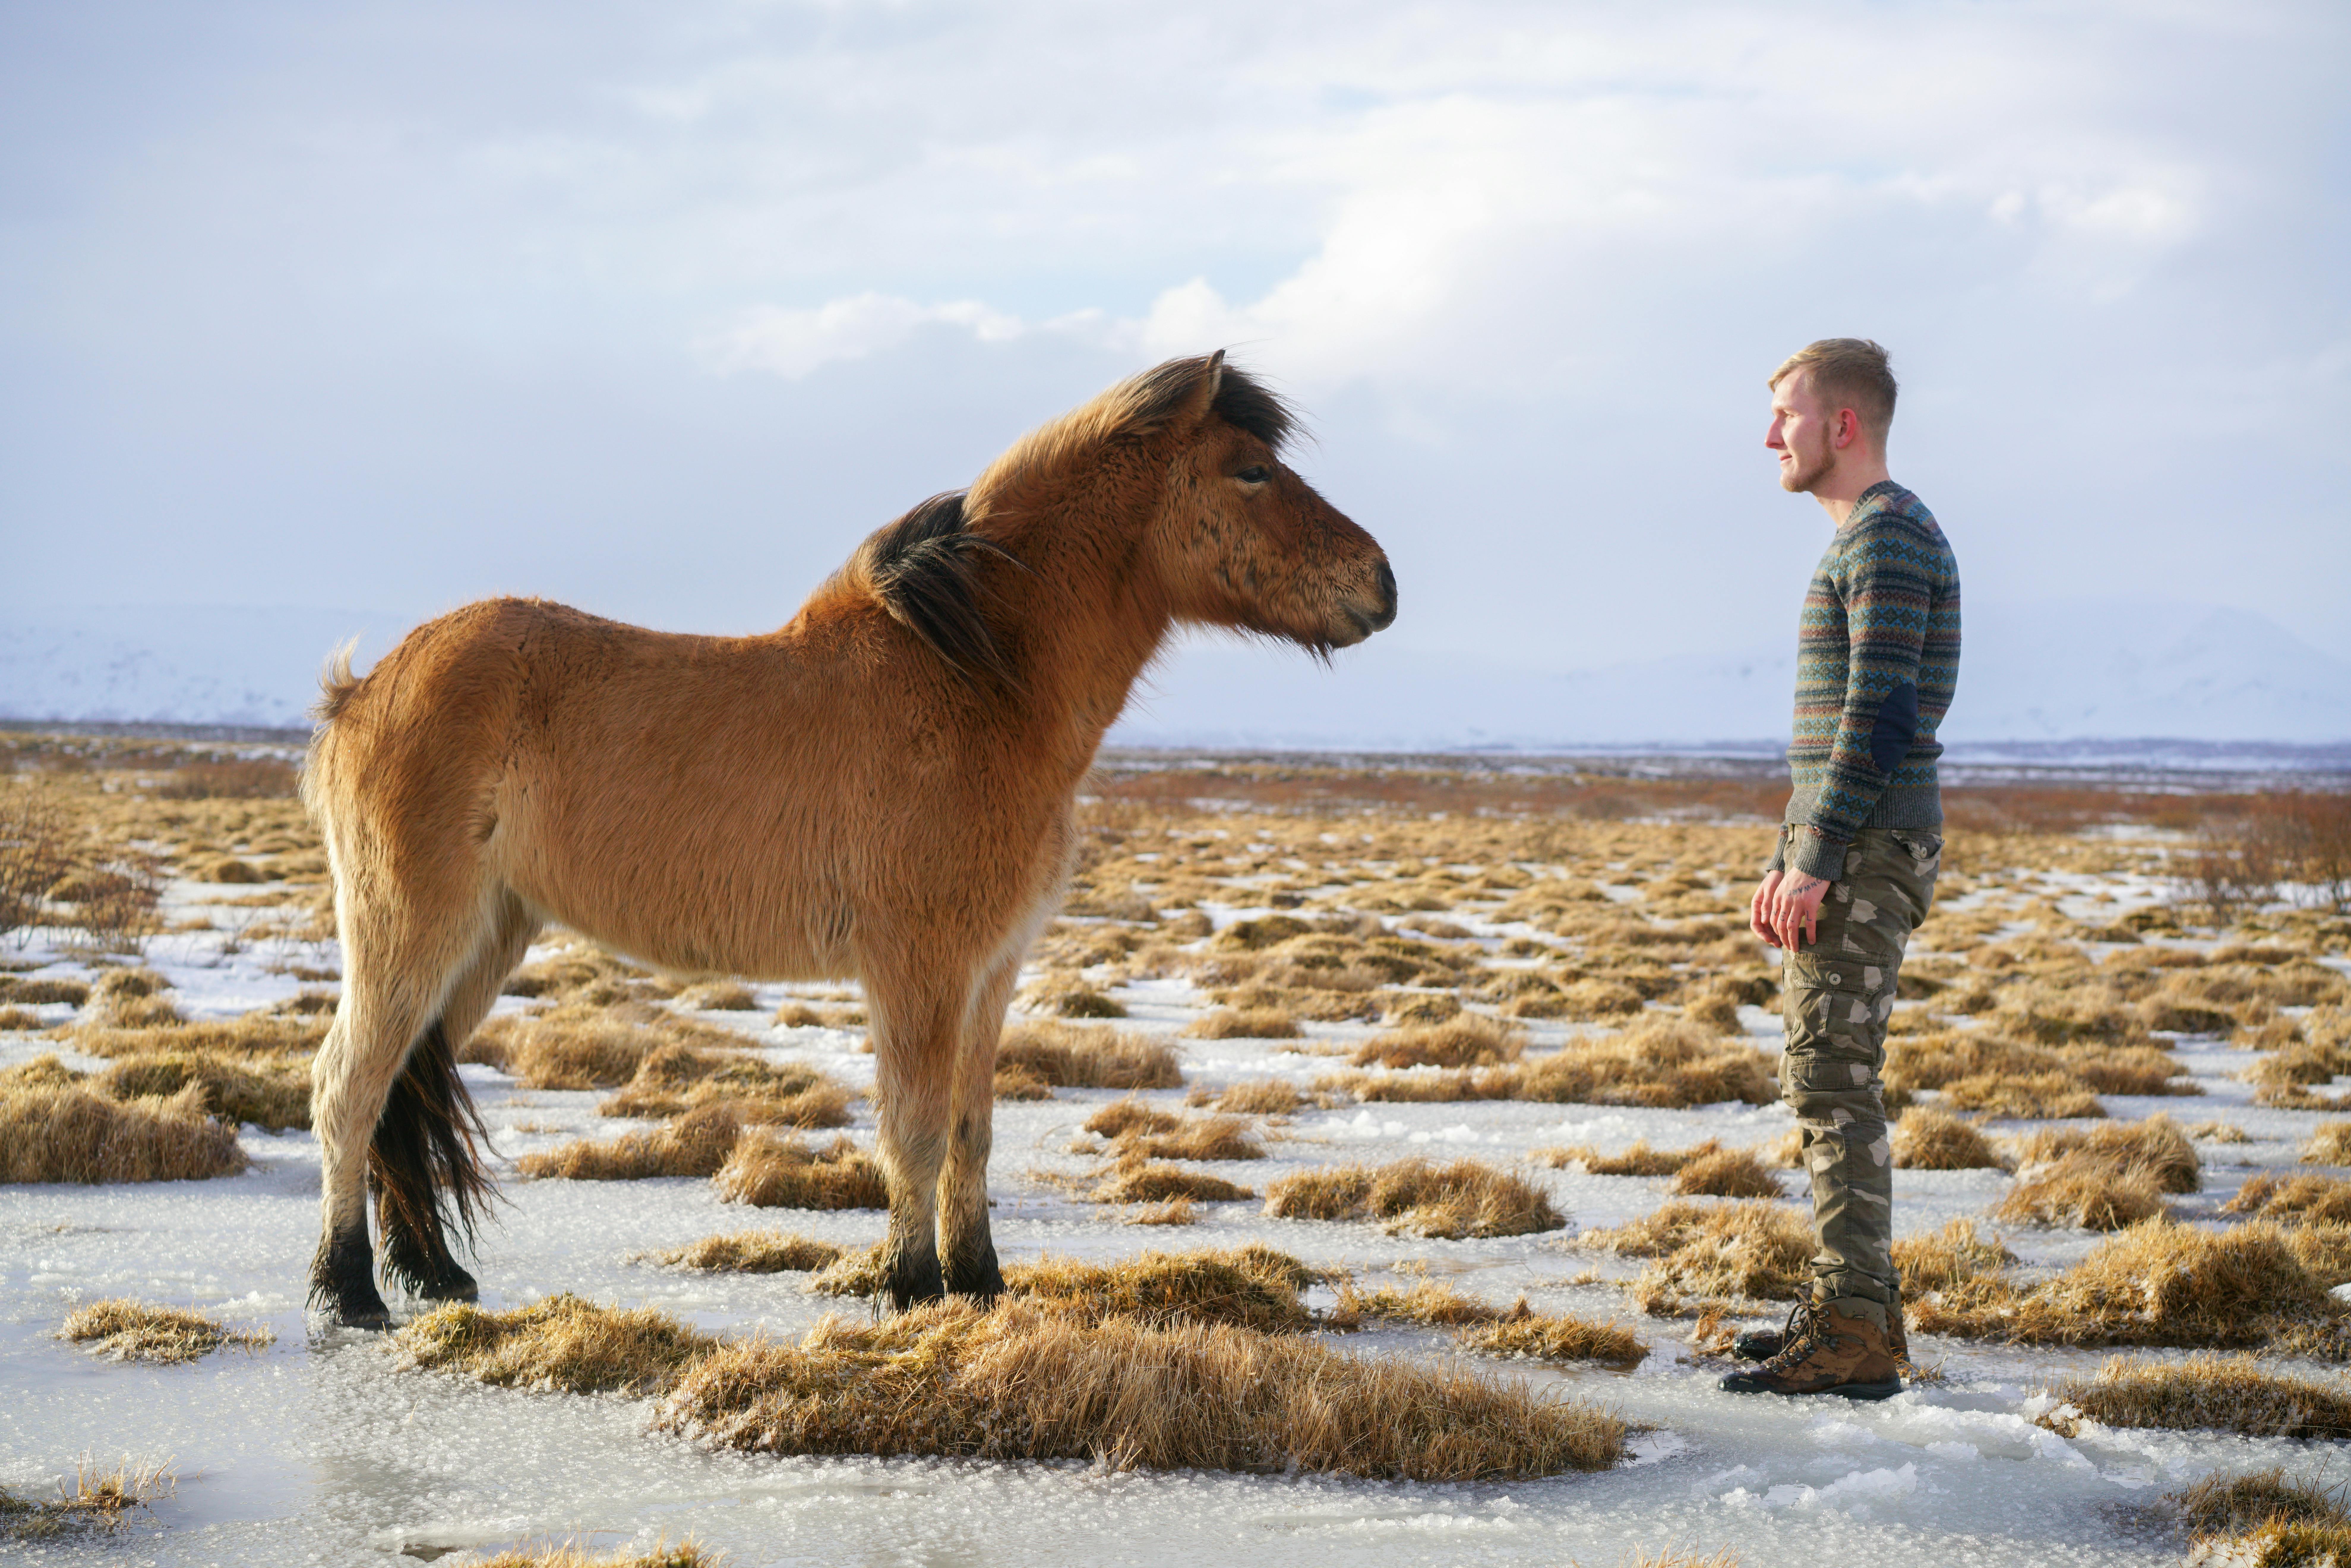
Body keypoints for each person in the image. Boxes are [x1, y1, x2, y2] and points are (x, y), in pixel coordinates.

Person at [1719, 339, 1961, 1402]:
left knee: (1830, 1078)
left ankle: (1855, 1332)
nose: (1771, 436)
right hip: (1842, 844)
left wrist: (1813, 859)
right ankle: (1853, 1311)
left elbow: (1878, 714)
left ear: (1842, 425)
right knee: (1825, 1075)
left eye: (1786, 414)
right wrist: (1791, 856)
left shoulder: (1889, 536)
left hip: (1864, 846)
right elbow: (1843, 731)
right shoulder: (1866, 537)